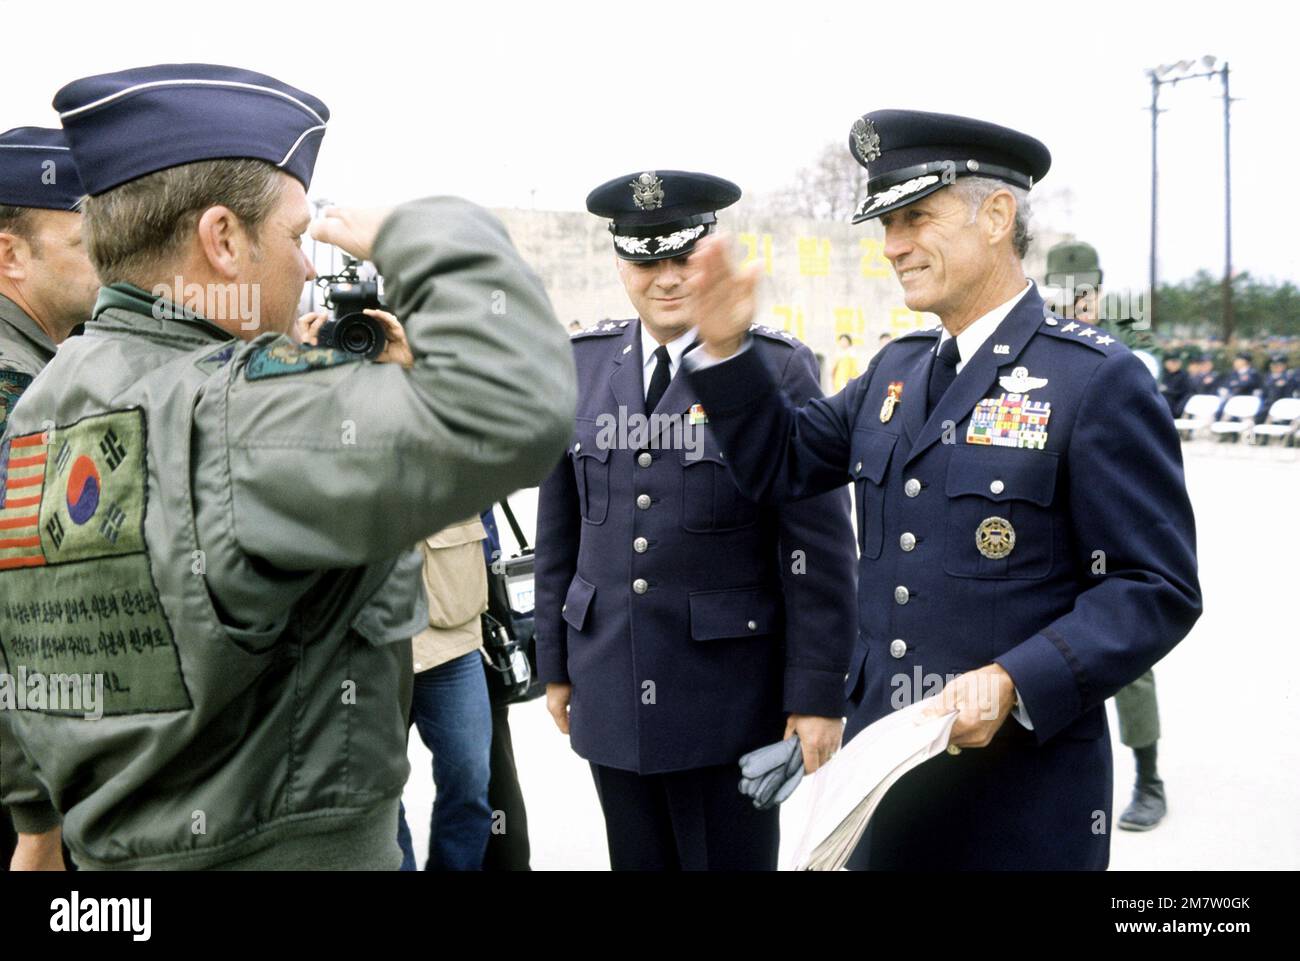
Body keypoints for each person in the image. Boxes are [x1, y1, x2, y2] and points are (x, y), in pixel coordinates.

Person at [0, 63, 575, 870]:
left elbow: (22, 639)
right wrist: (425, 235)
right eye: (295, 235)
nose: (308, 265)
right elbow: (521, 408)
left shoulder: (46, 400)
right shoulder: (244, 410)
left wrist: (35, 817)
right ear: (223, 240)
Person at [683, 109, 1202, 869]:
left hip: (1020, 801)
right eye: (886, 225)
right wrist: (726, 349)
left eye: (916, 217)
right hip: (885, 787)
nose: (893, 246)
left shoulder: (1093, 379)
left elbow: (1155, 586)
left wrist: (1016, 679)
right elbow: (780, 462)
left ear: (997, 216)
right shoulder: (896, 371)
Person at [535, 170, 857, 870]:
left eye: (683, 257)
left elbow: (820, 549)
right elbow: (560, 534)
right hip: (611, 685)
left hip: (727, 700)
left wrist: (816, 694)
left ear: (709, 256)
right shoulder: (581, 366)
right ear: (621, 263)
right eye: (646, 260)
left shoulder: (775, 369)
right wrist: (553, 664)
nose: (666, 277)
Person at [0, 125, 98, 872]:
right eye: (82, 242)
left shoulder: (46, 363)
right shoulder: (15, 388)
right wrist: (36, 810)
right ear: (11, 256)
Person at [1159, 352, 1193, 418]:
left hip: (1175, 405)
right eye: (1173, 362)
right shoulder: (1161, 375)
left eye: (1177, 362)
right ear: (1166, 363)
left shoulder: (1184, 376)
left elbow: (1186, 393)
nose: (1176, 364)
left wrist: (1166, 390)